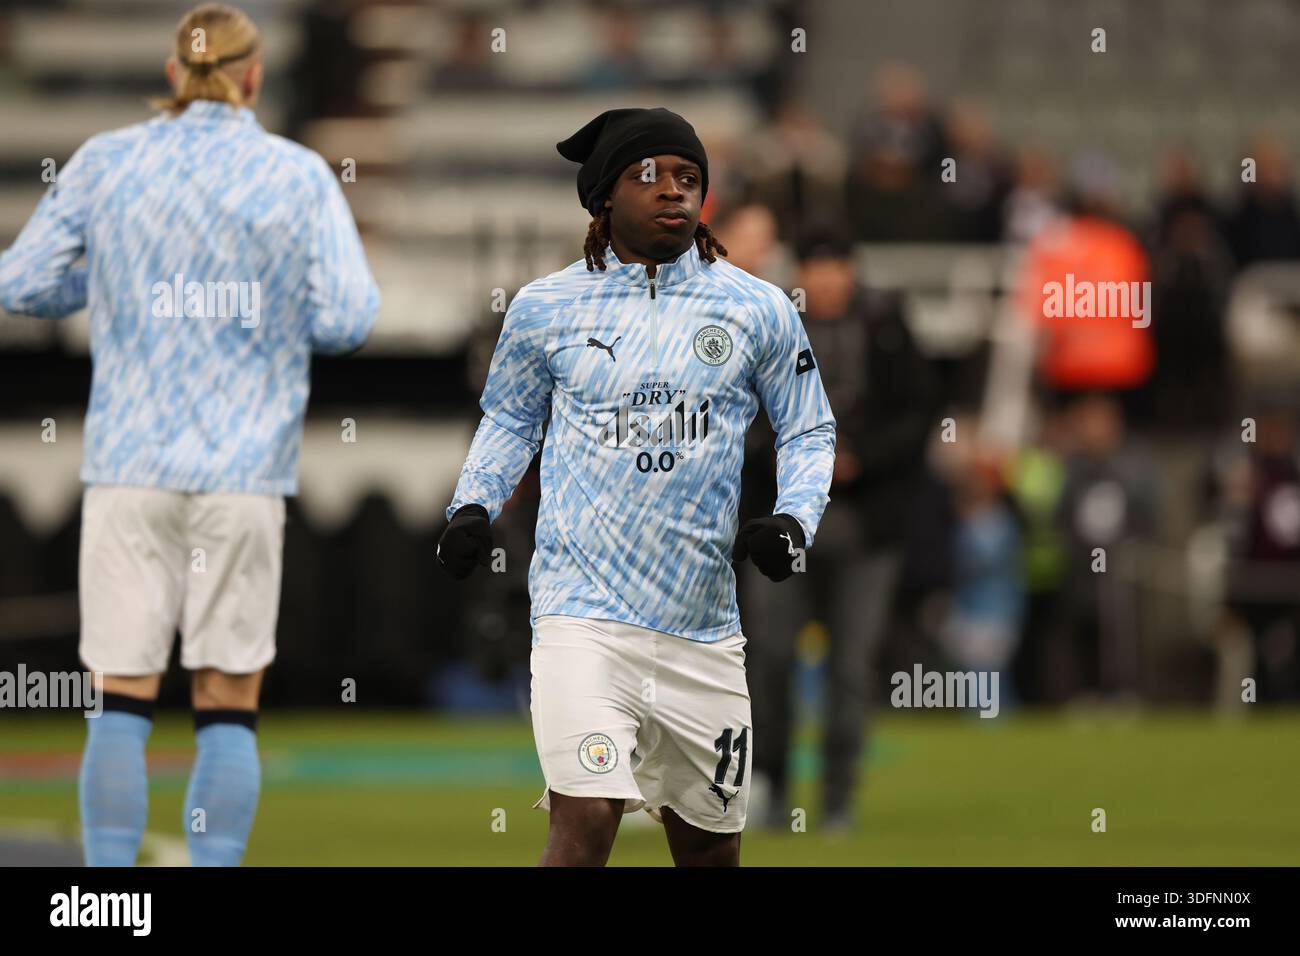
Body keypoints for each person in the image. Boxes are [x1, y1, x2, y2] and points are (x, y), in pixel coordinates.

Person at [0, 3, 380, 866]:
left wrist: (113, 281)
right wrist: (270, 304)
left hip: (131, 468)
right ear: (253, 77)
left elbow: (20, 285)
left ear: (174, 73)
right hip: (245, 474)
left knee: (122, 703)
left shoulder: (107, 161)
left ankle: (107, 897)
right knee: (227, 702)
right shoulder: (297, 174)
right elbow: (351, 317)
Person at [436, 107, 836, 866]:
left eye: (689, 178)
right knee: (585, 822)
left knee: (710, 855)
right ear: (604, 198)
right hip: (581, 621)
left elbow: (809, 428)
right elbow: (510, 423)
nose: (673, 191)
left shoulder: (758, 309)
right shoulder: (544, 309)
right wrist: (471, 506)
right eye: (649, 175)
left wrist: (793, 520)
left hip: (704, 632)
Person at [742, 222, 936, 830]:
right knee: (769, 659)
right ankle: (770, 783)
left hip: (866, 527)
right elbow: (739, 414)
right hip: (781, 527)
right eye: (814, 266)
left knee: (851, 669)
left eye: (835, 266)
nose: (825, 280)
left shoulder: (886, 325)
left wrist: (861, 459)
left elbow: (919, 415)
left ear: (852, 270)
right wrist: (802, 461)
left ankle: (837, 798)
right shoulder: (769, 320)